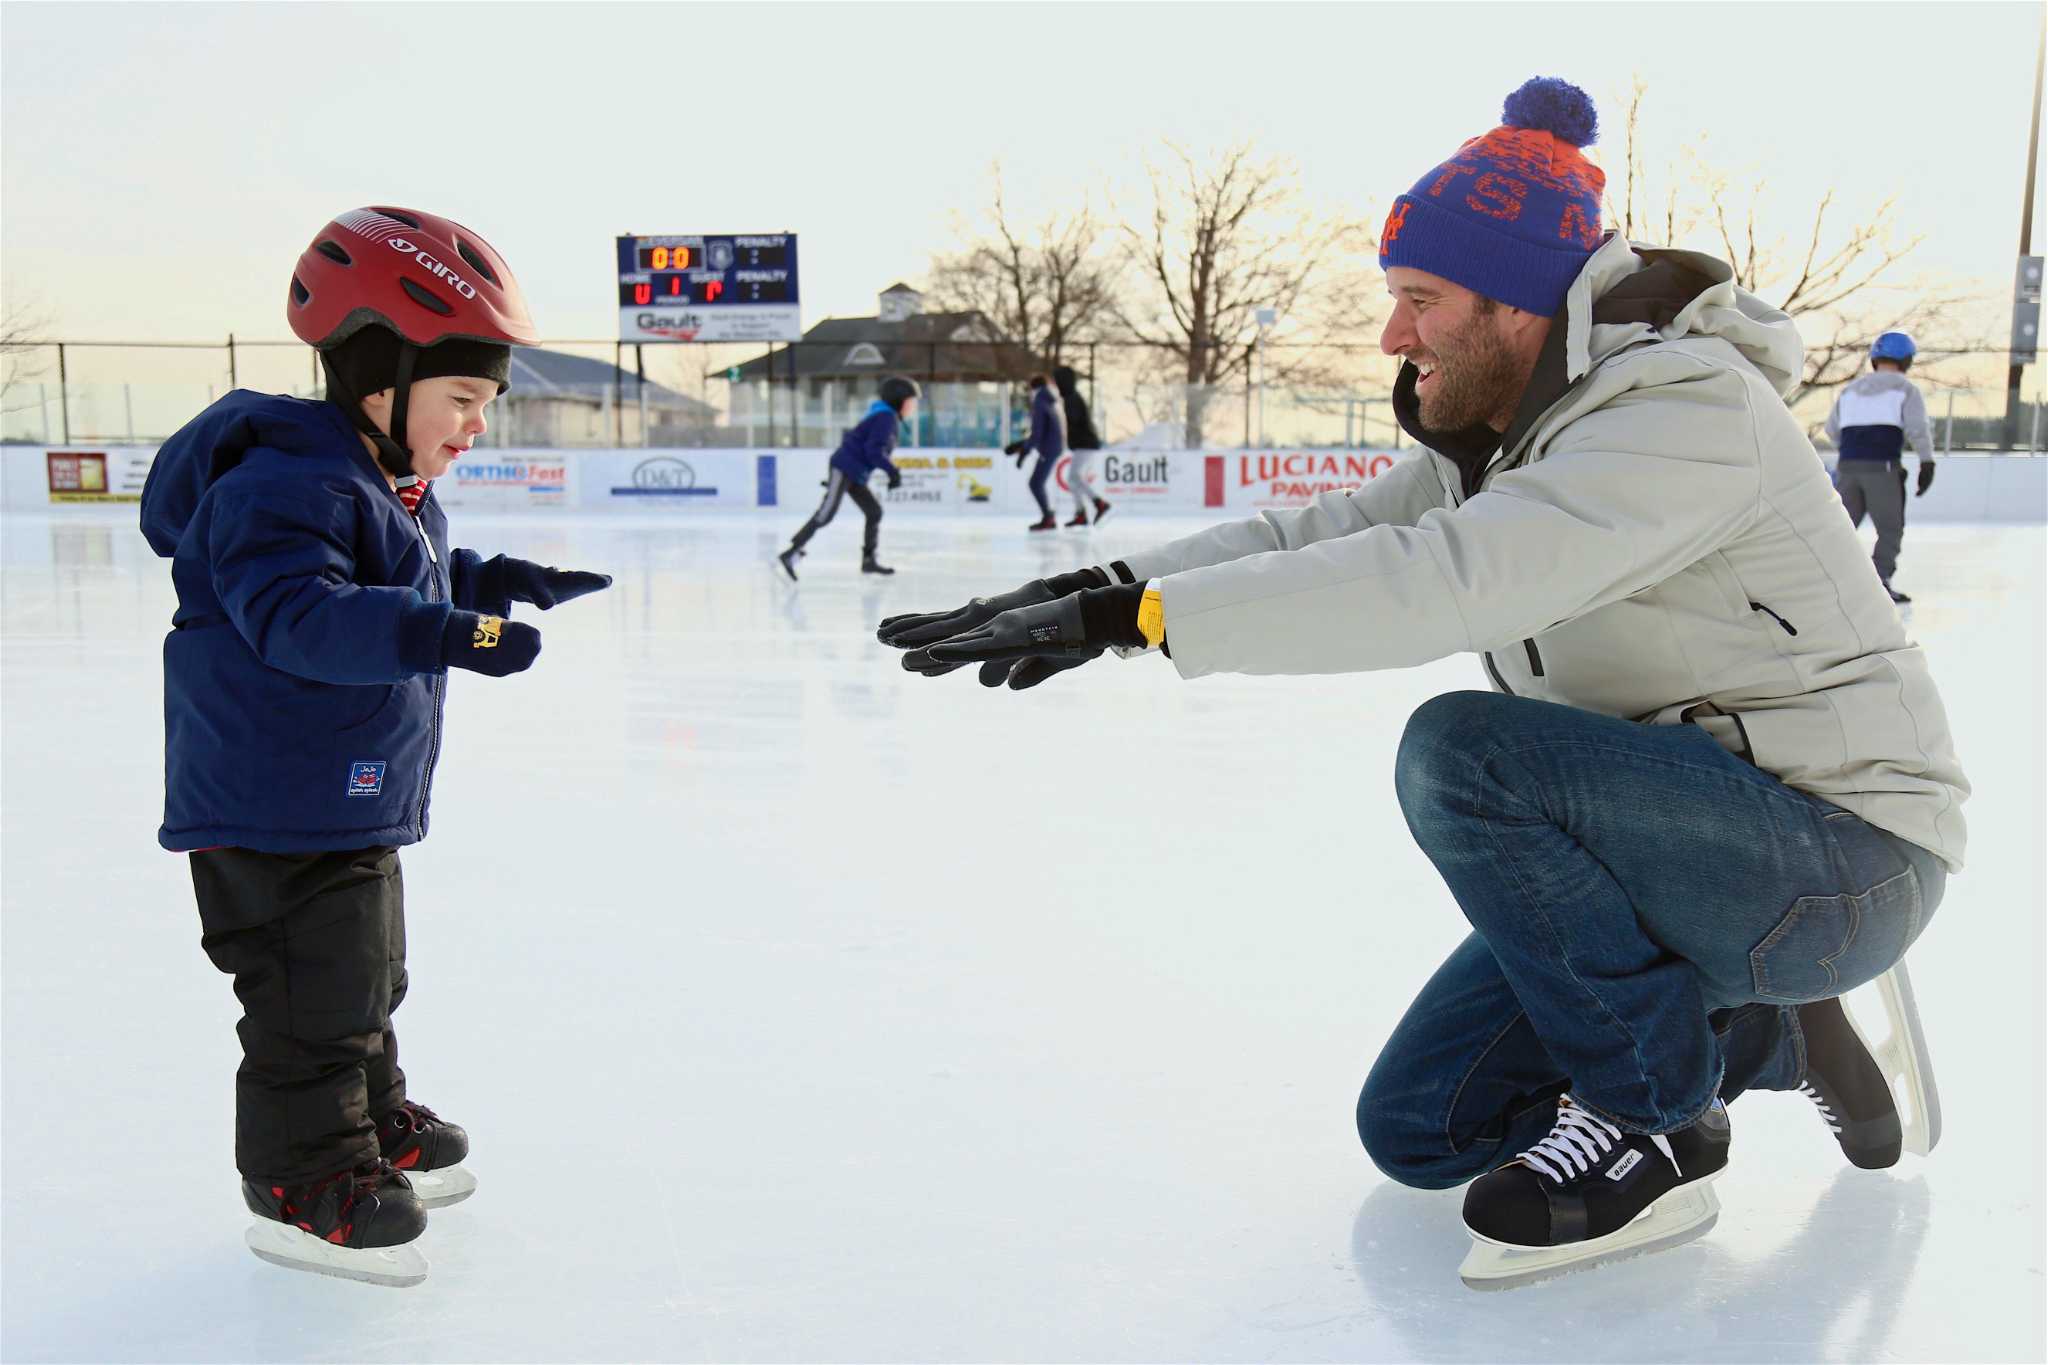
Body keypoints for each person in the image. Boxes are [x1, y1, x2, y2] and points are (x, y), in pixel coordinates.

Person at [879, 79, 1967, 1289]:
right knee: (1421, 1130)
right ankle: (1762, 1029)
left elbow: (1455, 580)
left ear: (1518, 307)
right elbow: (1320, 538)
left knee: (1467, 751)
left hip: (1837, 853)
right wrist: (1102, 589)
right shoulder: (1512, 432)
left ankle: (1654, 1117)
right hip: (1676, 850)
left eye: (1417, 302)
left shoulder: (1682, 410)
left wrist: (1135, 617)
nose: (1392, 337)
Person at [139, 206, 613, 1287]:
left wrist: (489, 583)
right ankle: (304, 1181)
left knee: (364, 978)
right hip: (268, 801)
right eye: (460, 400)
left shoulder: (373, 484)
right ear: (374, 376)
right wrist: (448, 629)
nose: (474, 426)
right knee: (309, 999)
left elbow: (388, 576)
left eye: (484, 404)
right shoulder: (278, 485)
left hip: (338, 792)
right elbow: (299, 615)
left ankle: (369, 1117)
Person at [1826, 332, 1936, 603]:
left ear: (1875, 358)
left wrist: (1853, 450)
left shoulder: (1850, 390)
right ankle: (1880, 581)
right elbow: (1917, 428)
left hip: (1848, 467)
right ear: (1907, 359)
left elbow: (1832, 430)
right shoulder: (1905, 389)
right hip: (1882, 469)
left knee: (1842, 527)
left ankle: (1827, 581)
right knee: (1890, 528)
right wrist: (1926, 461)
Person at [779, 376, 915, 580]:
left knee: (874, 511)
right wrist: (892, 471)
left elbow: (873, 451)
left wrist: (890, 471)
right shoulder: (885, 418)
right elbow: (874, 451)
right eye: (910, 401)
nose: (913, 407)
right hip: (844, 467)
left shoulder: (886, 417)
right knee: (826, 513)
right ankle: (790, 553)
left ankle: (869, 560)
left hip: (856, 473)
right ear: (898, 400)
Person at [1004, 373, 1066, 532]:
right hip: (1053, 446)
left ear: (1033, 387)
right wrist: (1022, 445)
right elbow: (1041, 431)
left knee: (1036, 483)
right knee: (1037, 483)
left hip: (1049, 448)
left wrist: (1024, 451)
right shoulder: (1049, 400)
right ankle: (1048, 516)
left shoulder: (1039, 401)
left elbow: (1037, 432)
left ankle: (1048, 518)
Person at [1054, 364, 1111, 527]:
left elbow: (1075, 421)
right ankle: (1082, 512)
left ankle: (1097, 503)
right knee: (1073, 479)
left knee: (1074, 477)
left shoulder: (1071, 398)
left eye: (1058, 381)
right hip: (1084, 444)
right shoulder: (1071, 397)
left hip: (1086, 444)